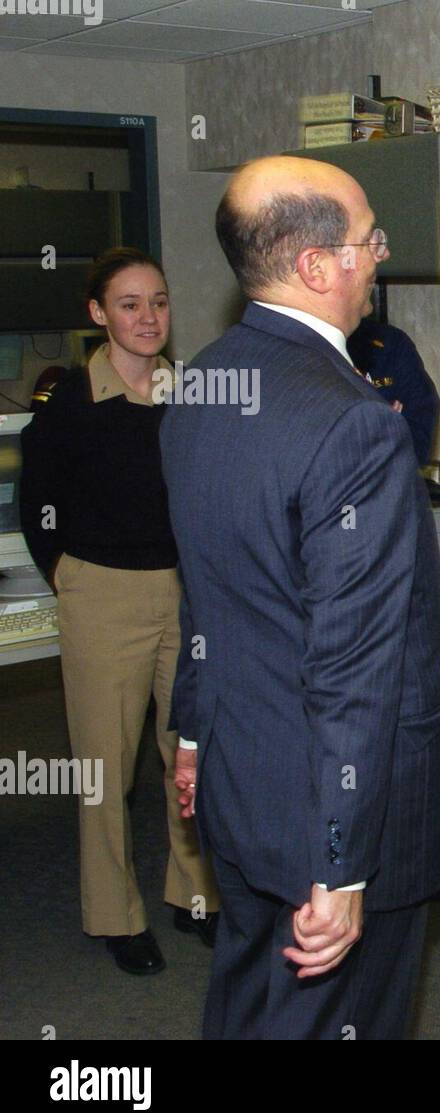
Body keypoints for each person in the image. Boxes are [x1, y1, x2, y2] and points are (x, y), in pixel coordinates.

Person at [162, 155, 440, 1039]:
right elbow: (354, 663)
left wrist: (192, 730)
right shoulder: (350, 422)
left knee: (251, 1005)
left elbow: (209, 589)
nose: (379, 254)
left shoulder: (201, 383)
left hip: (242, 774)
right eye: (368, 237)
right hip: (336, 814)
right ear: (316, 267)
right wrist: (341, 868)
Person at [19, 247, 221, 975]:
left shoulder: (190, 395)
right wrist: (69, 576)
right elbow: (37, 505)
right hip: (103, 595)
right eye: (130, 304)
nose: (148, 317)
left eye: (159, 303)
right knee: (105, 769)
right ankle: (113, 914)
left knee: (191, 756)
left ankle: (192, 893)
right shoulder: (70, 402)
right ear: (99, 314)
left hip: (183, 594)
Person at [347, 314, 440, 465]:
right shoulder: (306, 347)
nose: (370, 288)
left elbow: (421, 424)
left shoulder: (390, 343)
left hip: (388, 476)